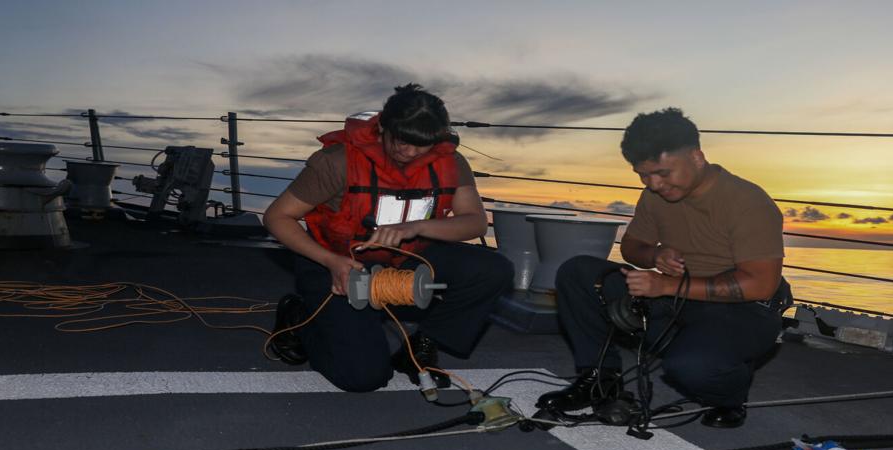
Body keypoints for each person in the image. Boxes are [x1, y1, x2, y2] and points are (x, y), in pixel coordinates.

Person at [541, 107, 790, 428]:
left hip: (743, 309)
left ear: (697, 157)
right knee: (579, 273)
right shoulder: (655, 195)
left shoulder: (748, 202)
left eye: (662, 173)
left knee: (691, 367)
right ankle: (599, 380)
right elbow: (631, 247)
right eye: (643, 175)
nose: (654, 184)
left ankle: (730, 393)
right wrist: (655, 255)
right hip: (674, 300)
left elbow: (760, 284)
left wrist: (666, 285)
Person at [263, 83, 512, 393]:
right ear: (382, 126)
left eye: (422, 146)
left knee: (493, 269)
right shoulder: (337, 161)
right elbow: (277, 216)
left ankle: (420, 346)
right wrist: (330, 261)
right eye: (402, 141)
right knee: (364, 378)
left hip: (407, 259)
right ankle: (302, 320)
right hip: (338, 263)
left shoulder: (452, 162)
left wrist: (415, 227)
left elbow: (474, 221)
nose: (410, 152)